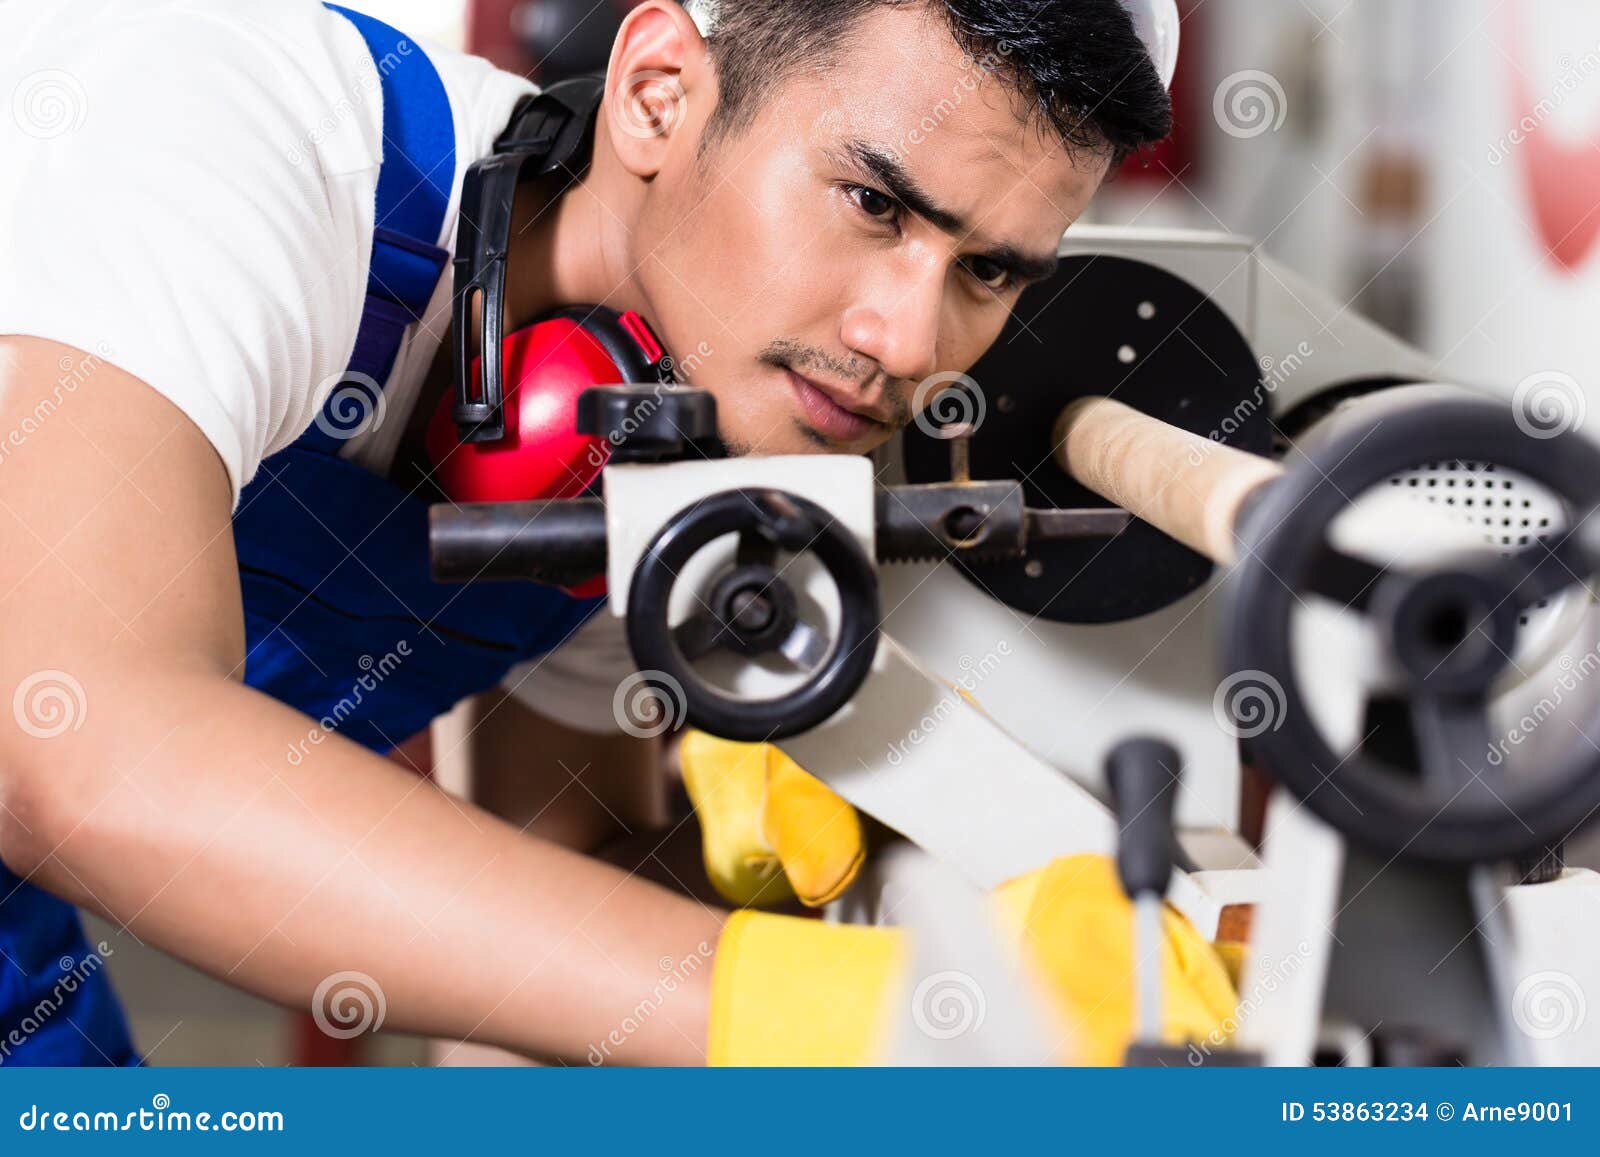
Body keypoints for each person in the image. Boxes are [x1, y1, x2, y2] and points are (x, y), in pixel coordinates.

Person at [0, 0, 1219, 1067]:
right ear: (657, 94)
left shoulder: (672, 434)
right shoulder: (236, 126)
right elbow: (81, 743)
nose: (909, 340)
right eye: (872, 202)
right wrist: (819, 1013)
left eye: (989, 272)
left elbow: (558, 850)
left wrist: (922, 907)